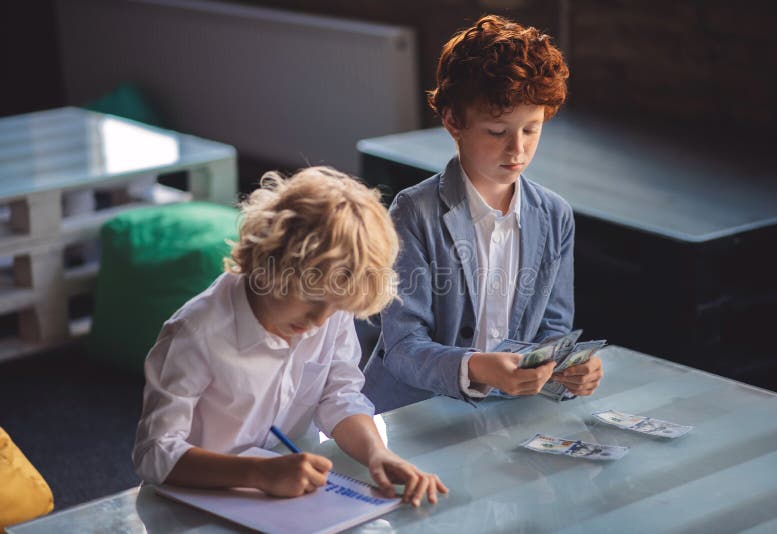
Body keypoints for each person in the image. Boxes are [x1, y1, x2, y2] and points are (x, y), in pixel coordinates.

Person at [132, 167, 447, 507]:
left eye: (336, 306)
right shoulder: (195, 333)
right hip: (197, 500)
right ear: (271, 260)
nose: (319, 320)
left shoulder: (328, 310)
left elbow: (339, 394)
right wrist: (259, 473)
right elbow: (155, 452)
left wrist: (377, 455)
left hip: (293, 494)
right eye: (312, 299)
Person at [363, 15, 603, 413]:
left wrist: (570, 368)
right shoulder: (413, 212)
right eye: (497, 131)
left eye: (532, 129)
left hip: (506, 411)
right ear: (453, 121)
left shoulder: (555, 215)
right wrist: (476, 367)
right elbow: (402, 348)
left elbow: (553, 332)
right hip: (415, 413)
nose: (517, 149)